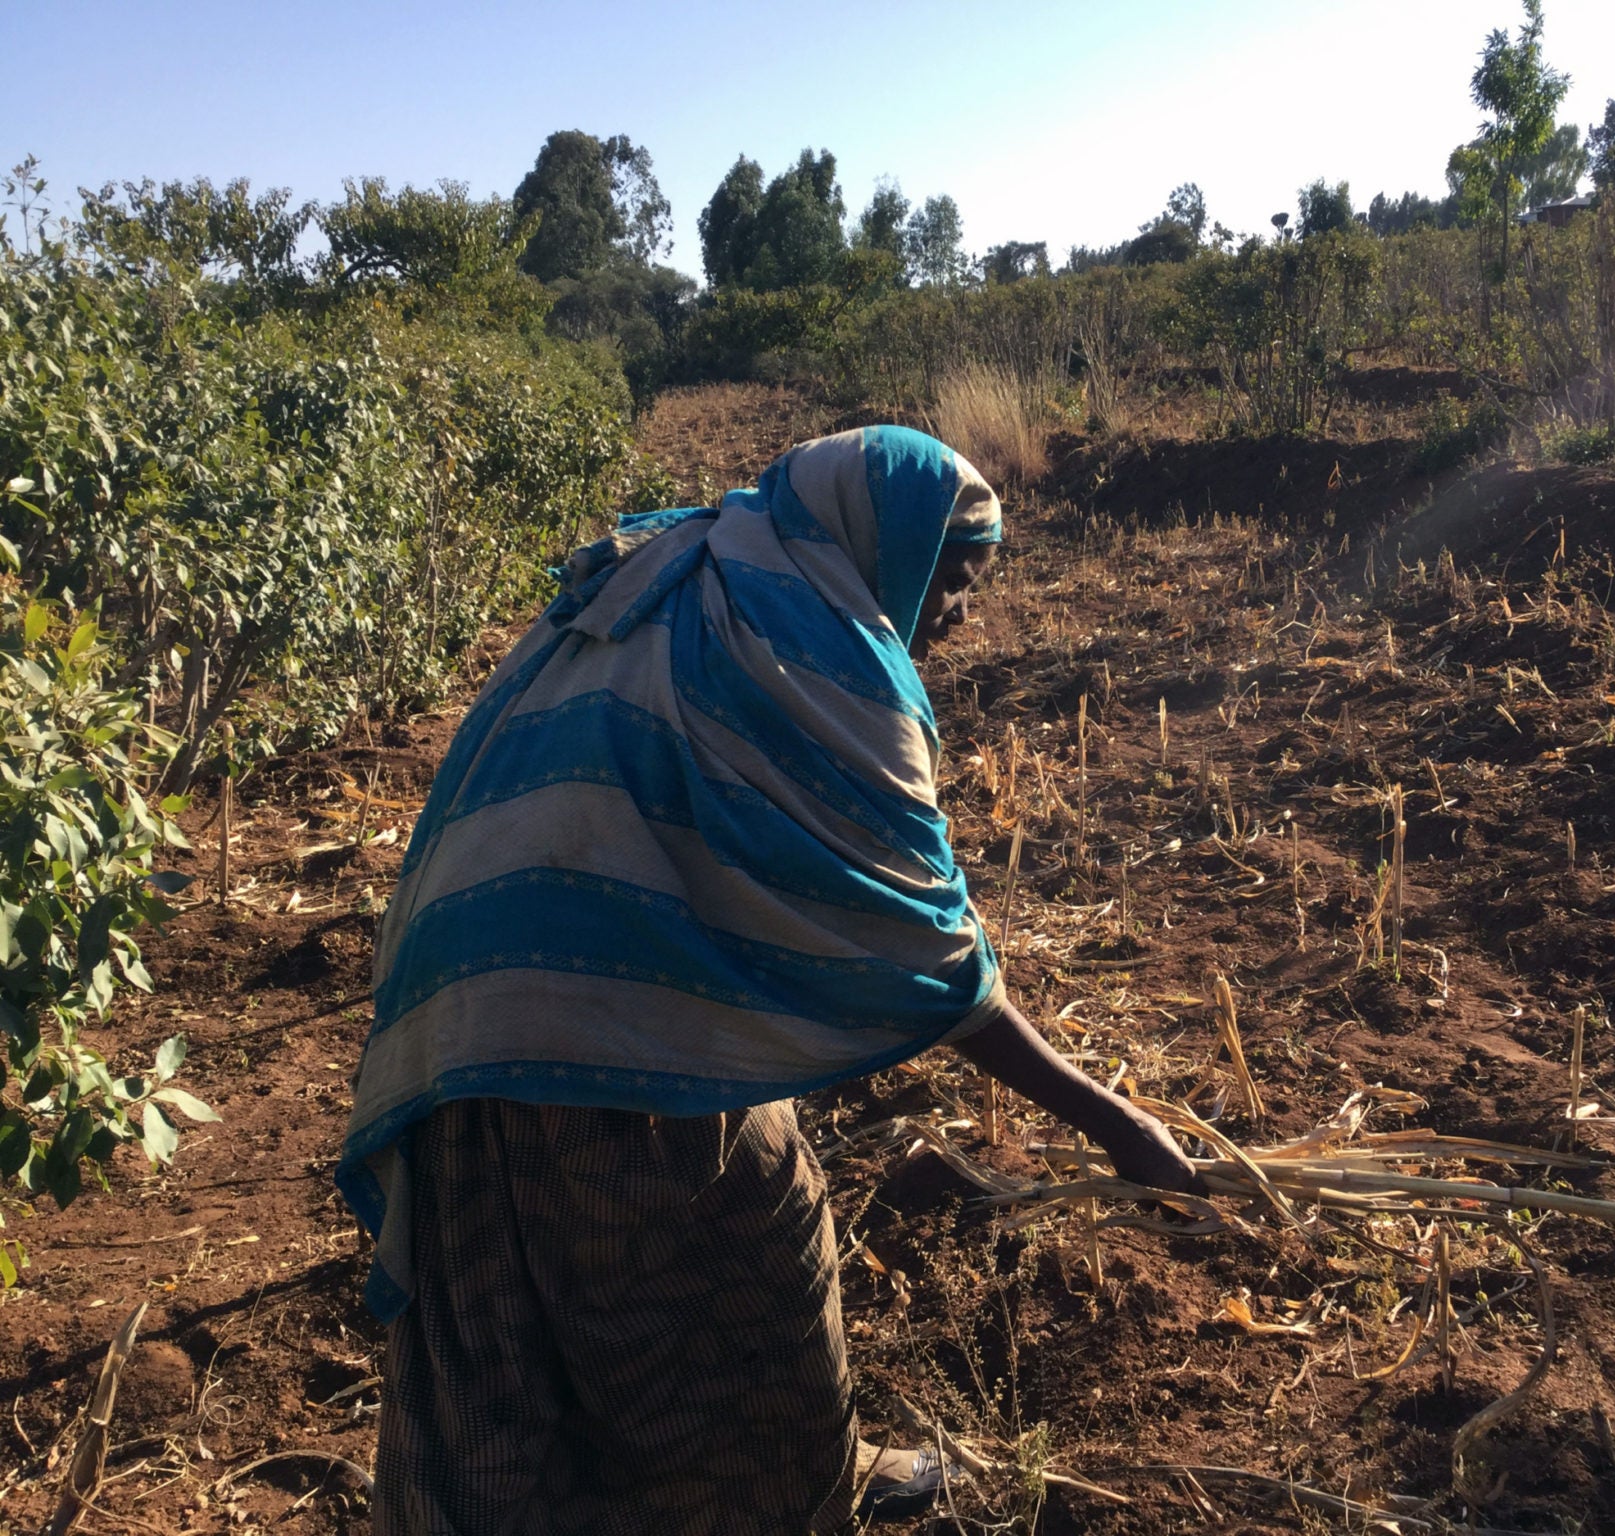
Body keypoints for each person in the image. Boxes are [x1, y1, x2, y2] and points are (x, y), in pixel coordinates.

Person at [337, 425, 1202, 1535]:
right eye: (953, 580)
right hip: (600, 1033)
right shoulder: (809, 643)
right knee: (742, 1263)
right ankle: (786, 1494)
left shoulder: (684, 572)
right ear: (884, 549)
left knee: (494, 1320)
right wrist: (1116, 1123)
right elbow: (922, 944)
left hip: (454, 1007)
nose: (960, 615)